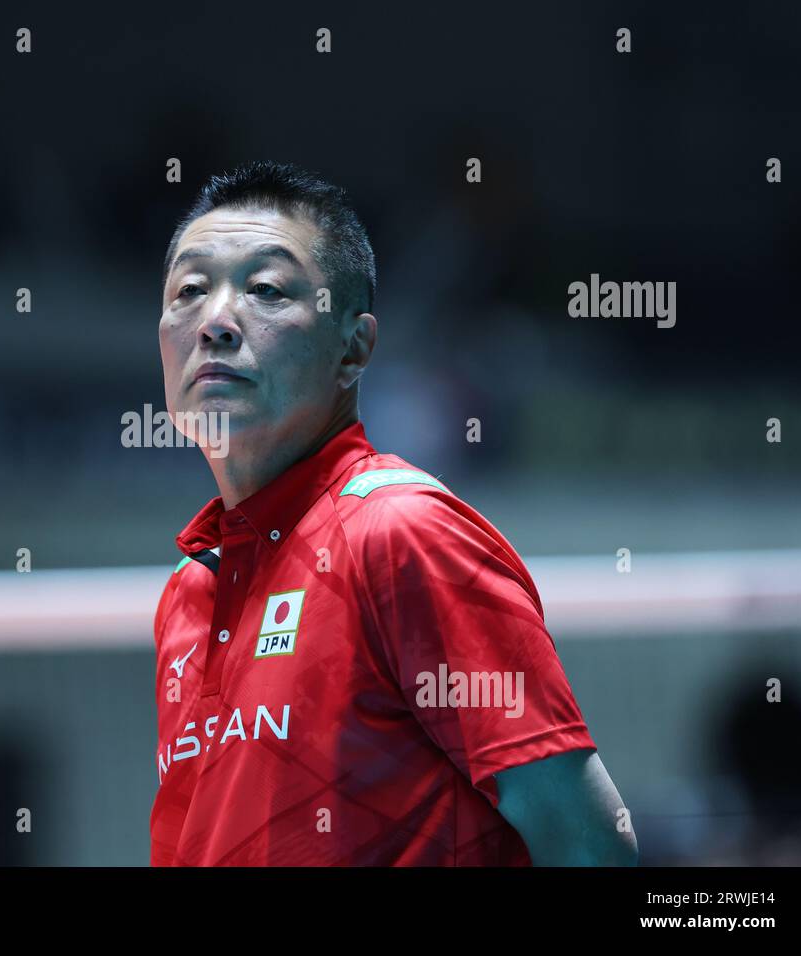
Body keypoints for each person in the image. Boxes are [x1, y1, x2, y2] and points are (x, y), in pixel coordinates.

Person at [150, 159, 637, 866]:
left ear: (355, 347)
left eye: (264, 289)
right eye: (189, 290)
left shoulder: (404, 536)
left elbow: (592, 850)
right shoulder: (187, 594)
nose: (216, 320)